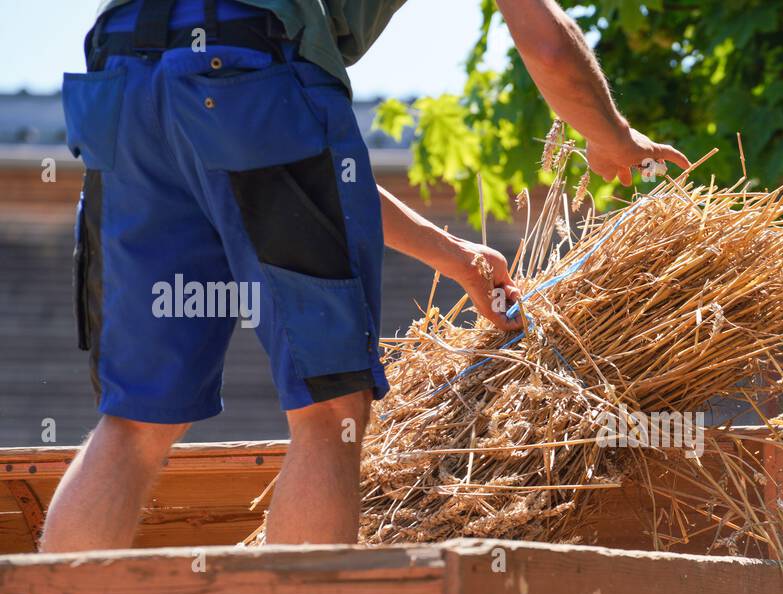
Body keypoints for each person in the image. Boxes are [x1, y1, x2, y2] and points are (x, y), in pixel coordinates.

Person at [41, 0, 687, 551]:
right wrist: (614, 138)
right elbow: (546, 42)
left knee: (132, 424)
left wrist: (455, 258)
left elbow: (317, 172)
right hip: (250, 61)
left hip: (123, 74)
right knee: (329, 412)